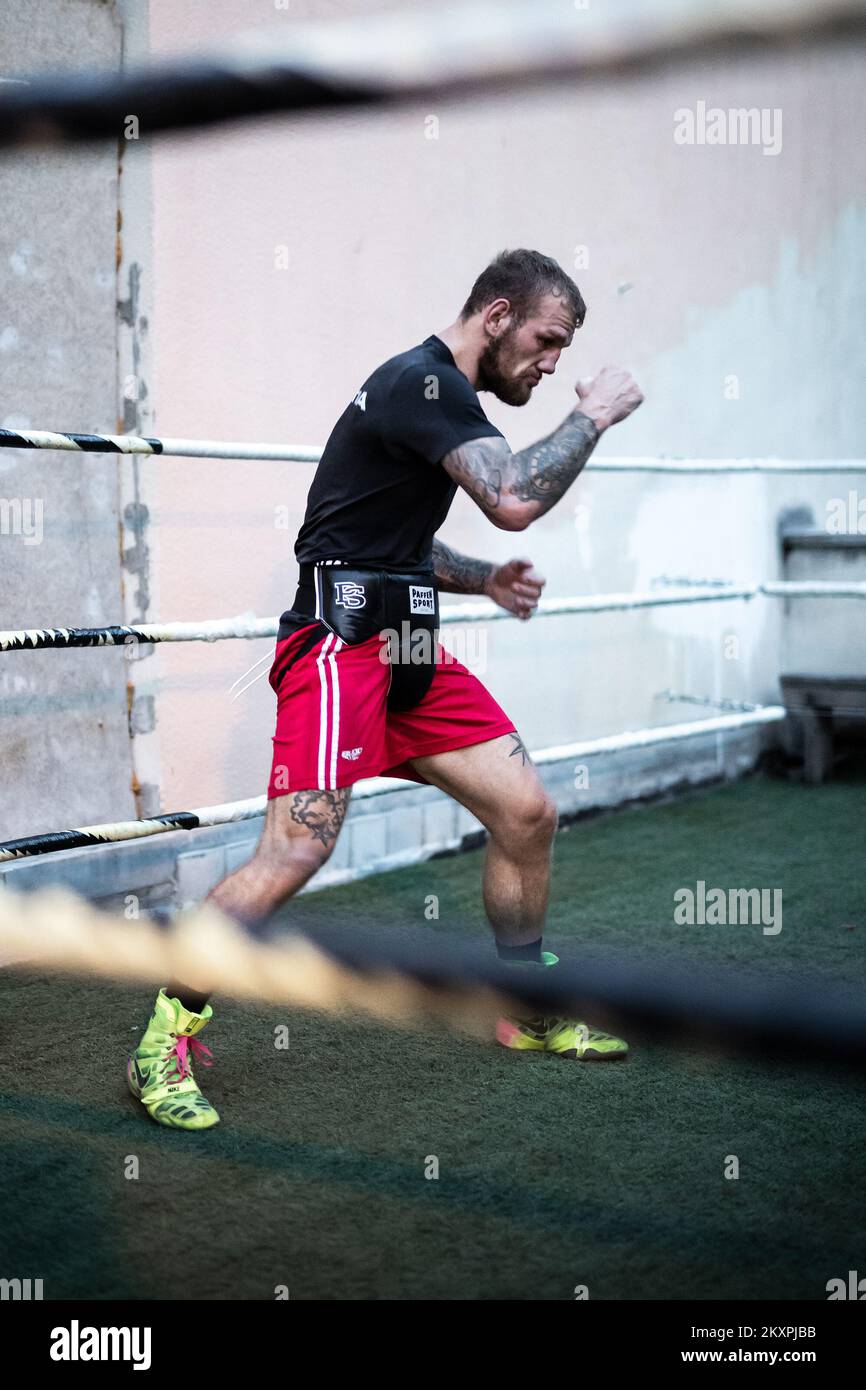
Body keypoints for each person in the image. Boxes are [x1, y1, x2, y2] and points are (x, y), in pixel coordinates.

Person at [128, 248, 643, 1129]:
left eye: (566, 355)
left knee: (526, 813)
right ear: (497, 316)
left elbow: (393, 543)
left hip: (408, 643)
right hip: (339, 645)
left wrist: (484, 582)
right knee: (296, 850)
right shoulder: (424, 381)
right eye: (548, 340)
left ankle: (524, 1006)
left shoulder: (437, 400)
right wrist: (594, 417)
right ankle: (160, 1044)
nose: (555, 365)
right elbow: (513, 494)